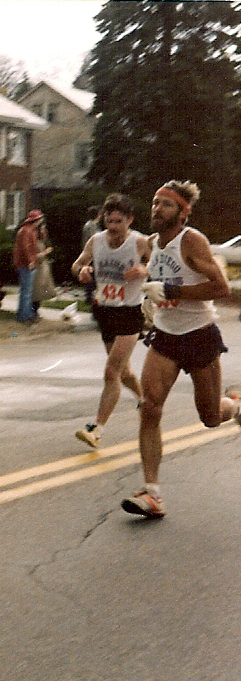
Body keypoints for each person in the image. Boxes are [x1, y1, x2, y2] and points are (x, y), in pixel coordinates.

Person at [123, 180, 241, 518]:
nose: (156, 209)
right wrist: (144, 278)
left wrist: (172, 290)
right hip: (165, 336)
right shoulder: (150, 243)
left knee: (211, 418)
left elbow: (221, 287)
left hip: (200, 335)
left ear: (183, 212)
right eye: (155, 202)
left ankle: (234, 406)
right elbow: (155, 271)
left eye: (166, 204)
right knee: (150, 407)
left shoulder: (192, 241)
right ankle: (152, 494)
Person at [70, 193, 150, 449]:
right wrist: (82, 271)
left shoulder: (139, 243)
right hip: (106, 311)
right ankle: (144, 400)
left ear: (130, 220)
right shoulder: (96, 241)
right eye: (109, 221)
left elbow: (158, 265)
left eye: (118, 221)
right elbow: (77, 264)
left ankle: (97, 428)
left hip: (129, 312)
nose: (113, 227)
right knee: (123, 371)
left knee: (111, 372)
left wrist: (143, 270)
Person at [13, 209, 43, 324]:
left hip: (25, 263)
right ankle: (24, 316)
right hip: (26, 264)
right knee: (26, 292)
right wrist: (30, 261)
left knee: (26, 291)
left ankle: (25, 314)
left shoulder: (28, 230)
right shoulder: (27, 231)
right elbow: (26, 247)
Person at [31, 221, 56, 315]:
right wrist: (45, 253)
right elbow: (34, 256)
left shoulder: (41, 241)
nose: (44, 231)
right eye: (42, 229)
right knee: (36, 292)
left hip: (42, 269)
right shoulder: (35, 242)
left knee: (41, 291)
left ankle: (35, 310)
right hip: (37, 270)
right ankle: (33, 311)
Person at [81, 205, 102, 304]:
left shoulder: (91, 225)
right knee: (91, 276)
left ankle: (90, 296)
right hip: (92, 255)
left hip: (93, 254)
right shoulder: (91, 226)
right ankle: (89, 297)